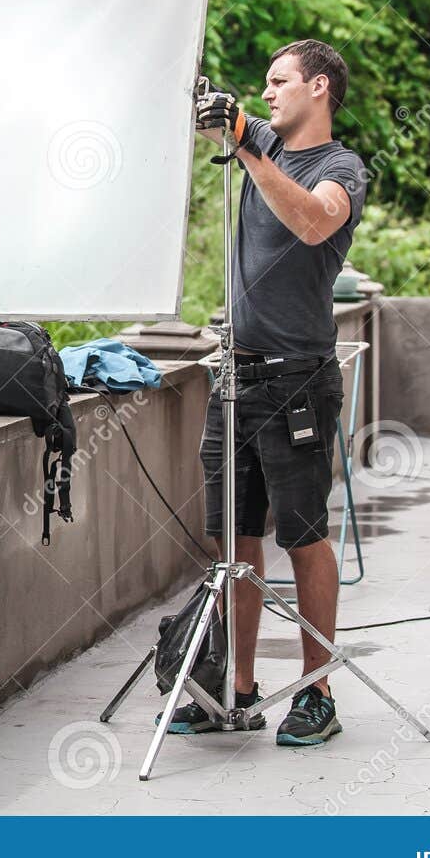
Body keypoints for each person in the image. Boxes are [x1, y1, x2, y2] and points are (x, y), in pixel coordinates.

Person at [169, 39, 367, 746]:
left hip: (297, 378)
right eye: (264, 83)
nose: (267, 91)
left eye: (280, 80)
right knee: (235, 538)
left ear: (318, 87)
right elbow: (223, 120)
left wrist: (249, 146)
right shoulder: (261, 141)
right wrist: (203, 103)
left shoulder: (340, 168)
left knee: (304, 535)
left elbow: (314, 222)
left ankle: (317, 691)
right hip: (236, 375)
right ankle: (238, 689)